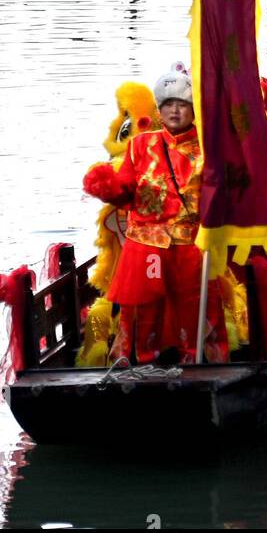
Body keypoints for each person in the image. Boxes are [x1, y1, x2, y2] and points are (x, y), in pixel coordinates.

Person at [83, 64, 228, 365]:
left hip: (191, 242)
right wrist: (107, 188)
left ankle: (202, 360)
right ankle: (140, 359)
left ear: (192, 109)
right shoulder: (139, 145)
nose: (175, 111)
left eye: (183, 105)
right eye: (168, 105)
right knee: (142, 305)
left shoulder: (209, 148)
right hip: (147, 244)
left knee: (196, 303)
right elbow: (126, 192)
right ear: (159, 110)